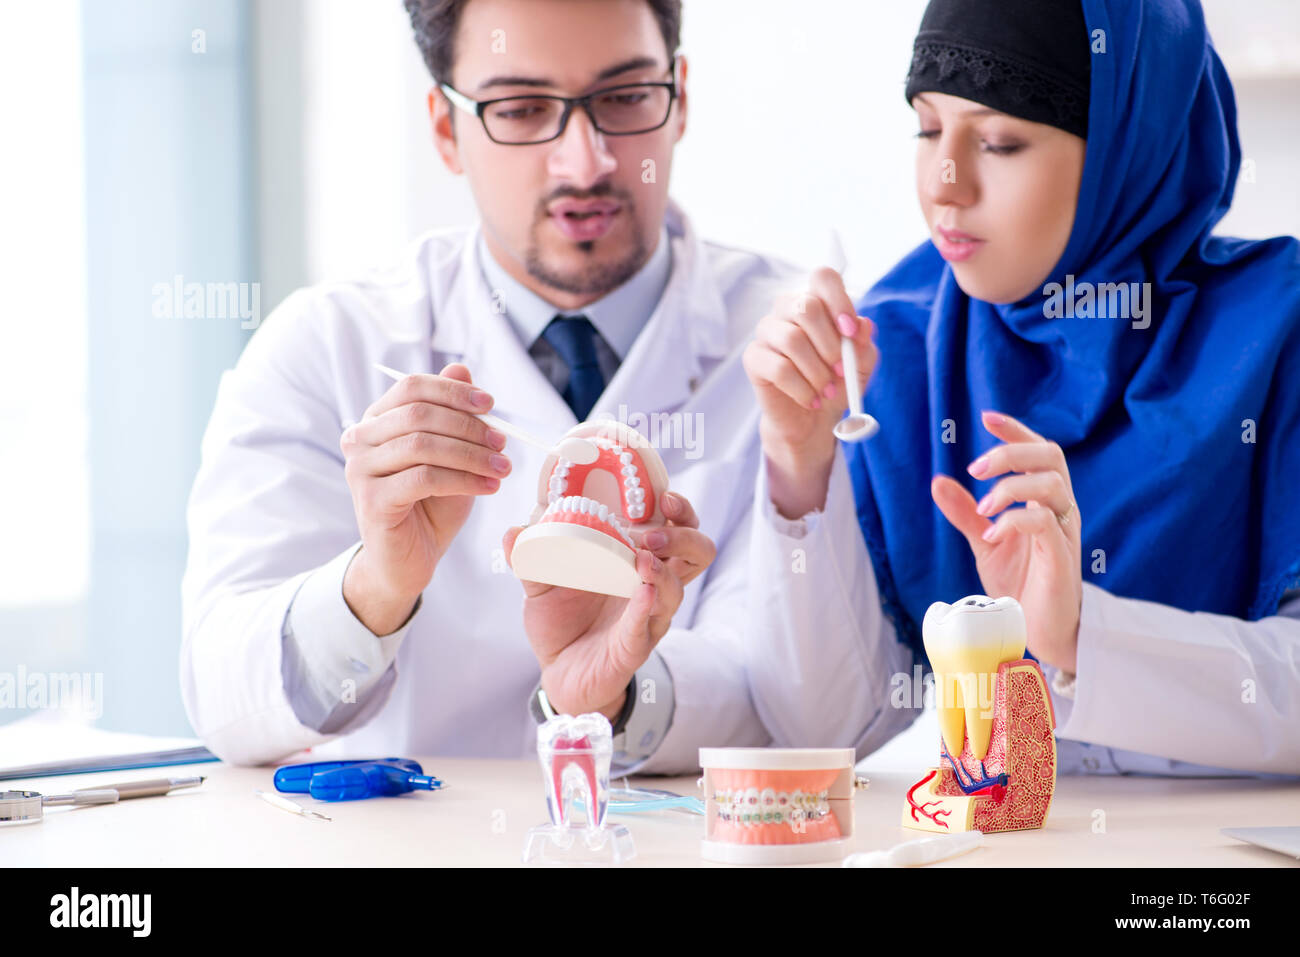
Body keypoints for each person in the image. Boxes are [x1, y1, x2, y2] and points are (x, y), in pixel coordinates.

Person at [180, 0, 800, 770]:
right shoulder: (327, 345)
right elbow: (222, 692)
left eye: (625, 97)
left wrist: (614, 697)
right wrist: (376, 586)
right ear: (445, 128)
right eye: (522, 109)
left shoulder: (796, 350)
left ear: (679, 95)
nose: (587, 162)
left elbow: (810, 703)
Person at [742, 0, 1300, 776]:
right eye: (928, 128)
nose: (946, 185)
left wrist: (1078, 636)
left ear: (1125, 147)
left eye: (1000, 141)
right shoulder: (894, 346)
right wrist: (798, 466)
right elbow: (823, 726)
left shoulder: (1276, 329)